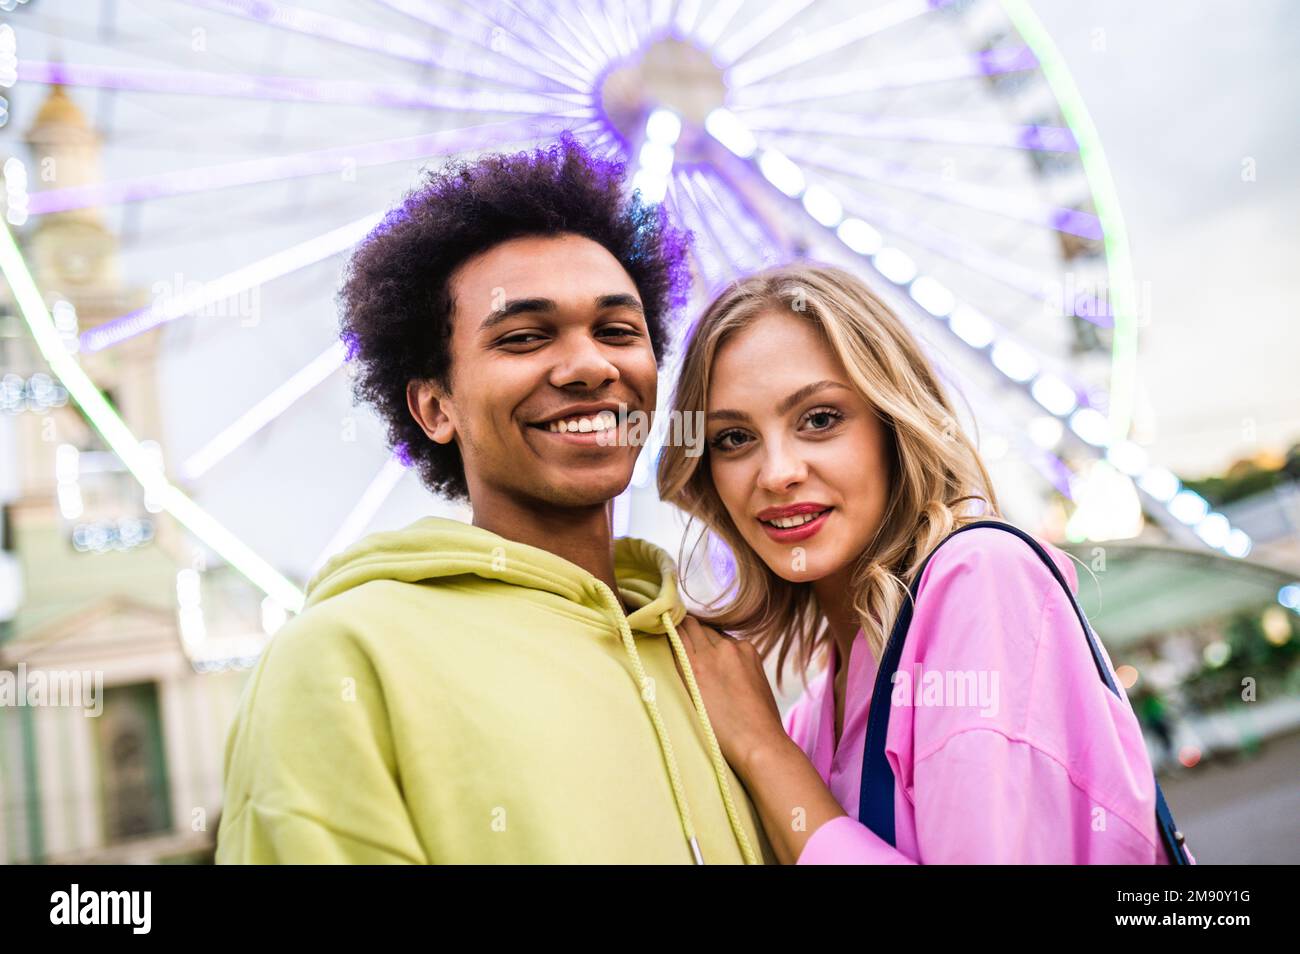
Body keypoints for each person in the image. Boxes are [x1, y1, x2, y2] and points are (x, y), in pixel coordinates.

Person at [215, 133, 773, 864]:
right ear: (434, 408)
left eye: (617, 331)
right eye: (523, 338)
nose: (587, 365)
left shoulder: (708, 665)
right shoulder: (340, 663)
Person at [656, 263, 1196, 864]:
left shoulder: (980, 578)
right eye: (734, 438)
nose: (777, 472)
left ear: (893, 423)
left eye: (820, 419)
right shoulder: (815, 717)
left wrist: (761, 750)